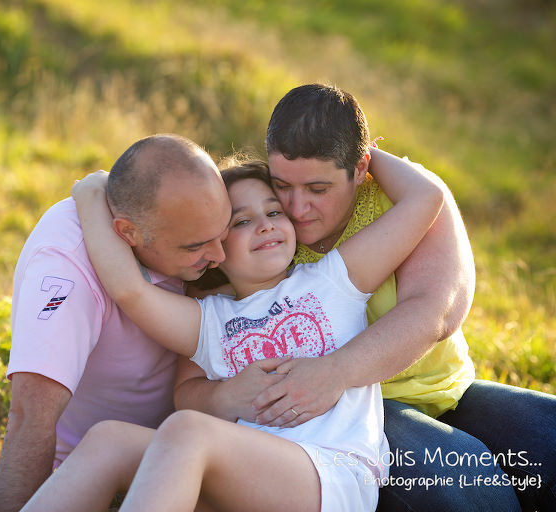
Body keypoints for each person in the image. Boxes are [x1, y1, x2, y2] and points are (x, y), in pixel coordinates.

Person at [175, 83, 556, 511]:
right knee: (469, 487)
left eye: (318, 189)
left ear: (360, 169)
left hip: (446, 391)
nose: (297, 207)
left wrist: (334, 370)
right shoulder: (267, 236)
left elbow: (436, 311)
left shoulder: (401, 203)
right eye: (283, 185)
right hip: (353, 414)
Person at [19, 151, 443, 511]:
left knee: (187, 432)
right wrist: (91, 193)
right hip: (243, 474)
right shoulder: (207, 319)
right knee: (109, 439)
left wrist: (361, 152)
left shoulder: (333, 280)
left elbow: (426, 197)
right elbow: (131, 292)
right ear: (214, 247)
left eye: (274, 211)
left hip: (332, 473)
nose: (264, 224)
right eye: (241, 222)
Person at [0, 134, 232, 512]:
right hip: (95, 473)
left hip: (198, 452)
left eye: (224, 230)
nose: (219, 255)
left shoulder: (190, 221)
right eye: (194, 246)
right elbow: (29, 418)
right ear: (127, 233)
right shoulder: (67, 268)